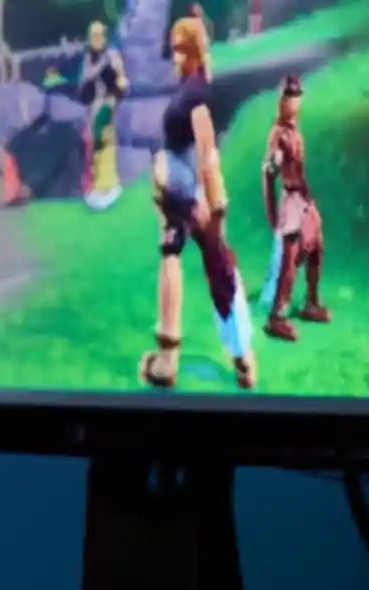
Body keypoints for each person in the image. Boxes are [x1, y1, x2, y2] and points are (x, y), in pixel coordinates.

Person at [140, 9, 256, 389]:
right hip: (179, 192)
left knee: (218, 267)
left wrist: (215, 201)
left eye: (178, 49)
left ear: (191, 51)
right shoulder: (192, 90)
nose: (173, 57)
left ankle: (240, 358)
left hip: (190, 195)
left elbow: (206, 152)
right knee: (181, 256)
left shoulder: (196, 95)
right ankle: (171, 361)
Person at [260, 75, 330, 341]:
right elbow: (269, 170)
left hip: (303, 197)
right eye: (288, 97)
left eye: (296, 96)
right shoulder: (278, 134)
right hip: (290, 200)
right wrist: (272, 212)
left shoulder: (294, 130)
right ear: (281, 101)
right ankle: (276, 317)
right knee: (289, 260)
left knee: (317, 247)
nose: (292, 102)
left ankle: (311, 302)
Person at [79, 21, 129, 210]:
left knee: (105, 145)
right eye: (93, 35)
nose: (96, 39)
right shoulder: (88, 59)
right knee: (94, 147)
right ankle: (97, 186)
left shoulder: (111, 55)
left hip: (107, 105)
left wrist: (115, 94)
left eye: (99, 35)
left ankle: (108, 185)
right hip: (93, 107)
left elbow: (122, 81)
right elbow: (84, 83)